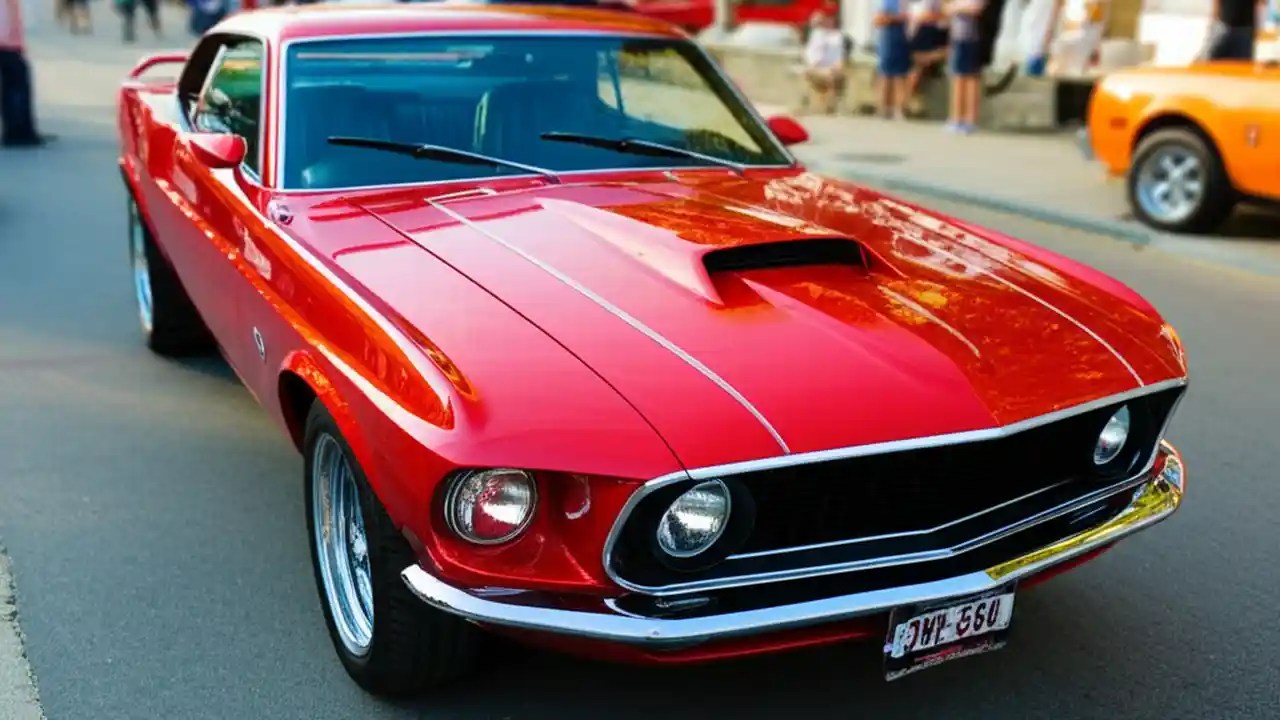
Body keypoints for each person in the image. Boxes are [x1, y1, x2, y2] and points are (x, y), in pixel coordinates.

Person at [0, 0, 51, 147]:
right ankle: (18, 132)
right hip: (5, 42)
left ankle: (19, 130)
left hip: (8, 41)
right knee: (16, 84)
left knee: (16, 82)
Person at [945, 0, 985, 133]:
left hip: (972, 37)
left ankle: (970, 119)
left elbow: (975, 8)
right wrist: (958, 7)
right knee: (958, 77)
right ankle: (956, 118)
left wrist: (957, 8)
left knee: (971, 77)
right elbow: (946, 8)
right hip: (957, 37)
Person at [905, 0, 949, 113]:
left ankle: (909, 97)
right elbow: (923, 15)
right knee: (918, 65)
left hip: (942, 31)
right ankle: (907, 98)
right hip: (927, 30)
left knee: (923, 61)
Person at [802, 9, 847, 114]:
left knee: (836, 75)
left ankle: (830, 106)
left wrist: (836, 66)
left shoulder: (837, 36)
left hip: (831, 69)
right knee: (830, 76)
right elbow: (811, 57)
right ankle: (827, 108)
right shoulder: (816, 35)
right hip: (816, 68)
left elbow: (839, 56)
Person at [875, 0, 911, 119]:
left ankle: (899, 108)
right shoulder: (888, 2)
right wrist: (898, 17)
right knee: (886, 73)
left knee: (901, 74)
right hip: (889, 36)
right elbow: (879, 19)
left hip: (904, 37)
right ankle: (884, 108)